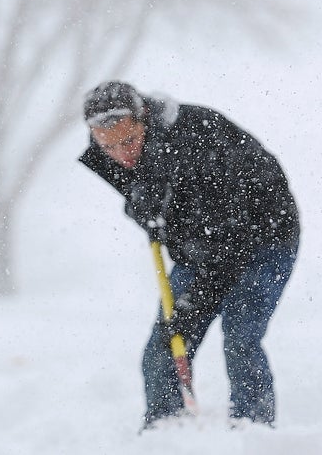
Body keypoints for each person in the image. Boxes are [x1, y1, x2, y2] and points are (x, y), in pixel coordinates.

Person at [78, 81, 300, 429]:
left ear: (144, 119)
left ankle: (253, 430)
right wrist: (144, 208)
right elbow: (165, 211)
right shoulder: (123, 150)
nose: (122, 154)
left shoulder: (196, 139)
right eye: (109, 146)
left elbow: (231, 239)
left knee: (241, 336)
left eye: (128, 141)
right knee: (164, 344)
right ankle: (165, 432)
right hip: (200, 248)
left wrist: (194, 302)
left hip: (263, 240)